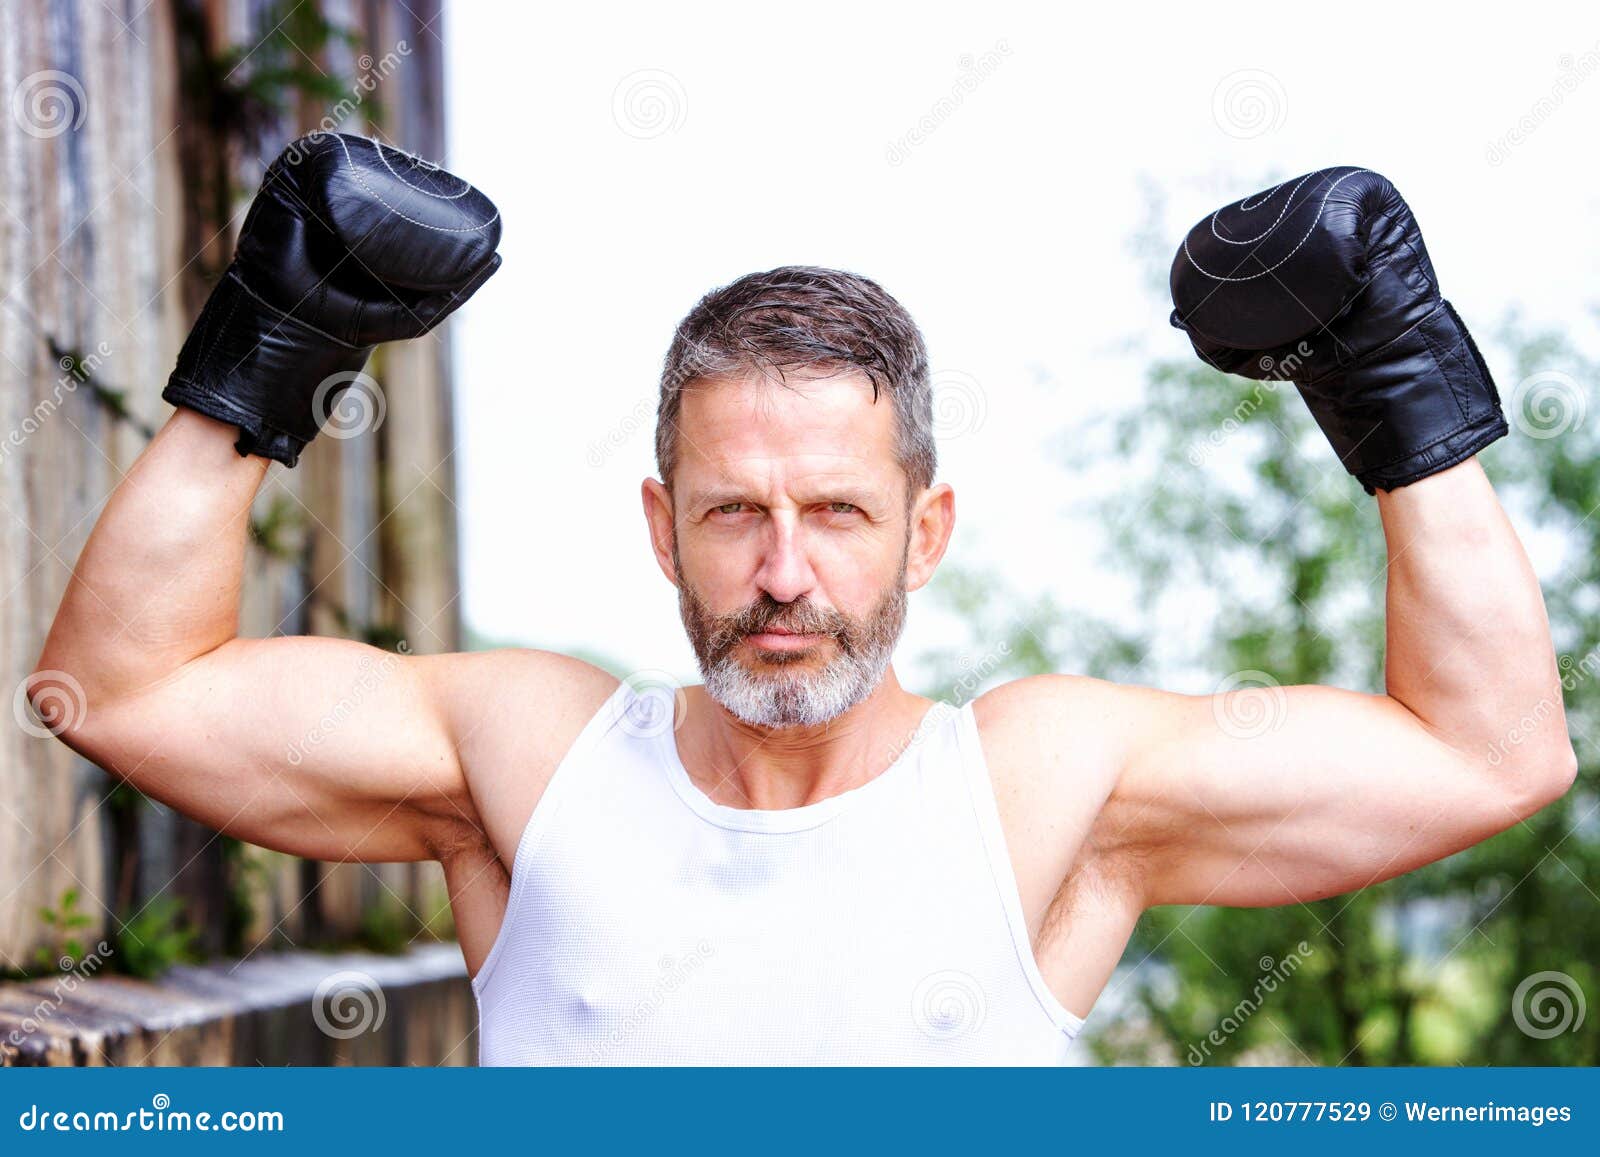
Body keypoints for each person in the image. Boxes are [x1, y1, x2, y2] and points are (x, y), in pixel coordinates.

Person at [29, 142, 1576, 1065]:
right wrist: (271, 342)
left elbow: (1488, 751)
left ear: (927, 531)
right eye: (733, 514)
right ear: (661, 526)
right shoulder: (531, 754)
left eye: (838, 512)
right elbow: (119, 690)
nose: (784, 576)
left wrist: (1393, 379)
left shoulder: (1041, 785)